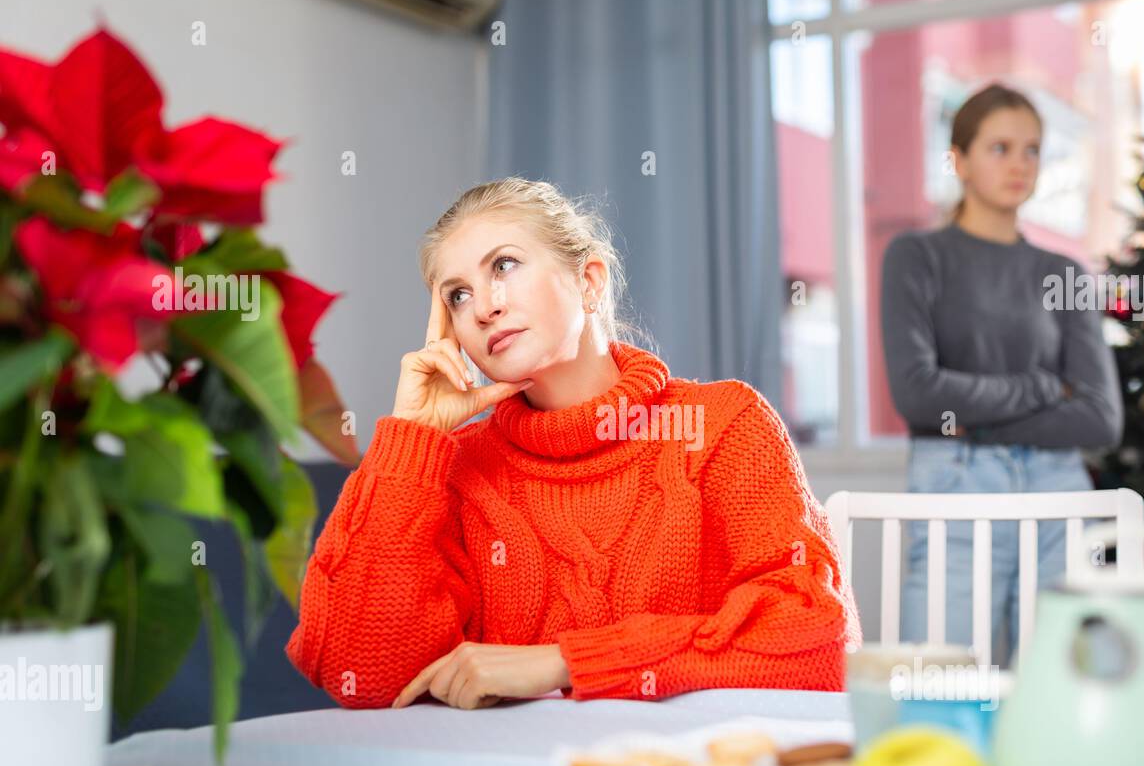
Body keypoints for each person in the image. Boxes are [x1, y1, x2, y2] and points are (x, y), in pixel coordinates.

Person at [285, 177, 861, 709]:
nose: (484, 308)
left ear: (589, 281)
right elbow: (354, 675)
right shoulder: (455, 466)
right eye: (457, 295)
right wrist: (412, 438)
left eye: (504, 266)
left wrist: (565, 662)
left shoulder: (722, 425)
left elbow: (820, 638)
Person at [879, 83, 1123, 666]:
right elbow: (918, 396)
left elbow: (1100, 418)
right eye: (1000, 148)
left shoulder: (1063, 272)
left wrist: (975, 418)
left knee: (1060, 687)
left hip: (1058, 491)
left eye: (1032, 149)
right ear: (958, 160)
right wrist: (1043, 388)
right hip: (957, 484)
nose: (1020, 164)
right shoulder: (915, 257)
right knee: (937, 684)